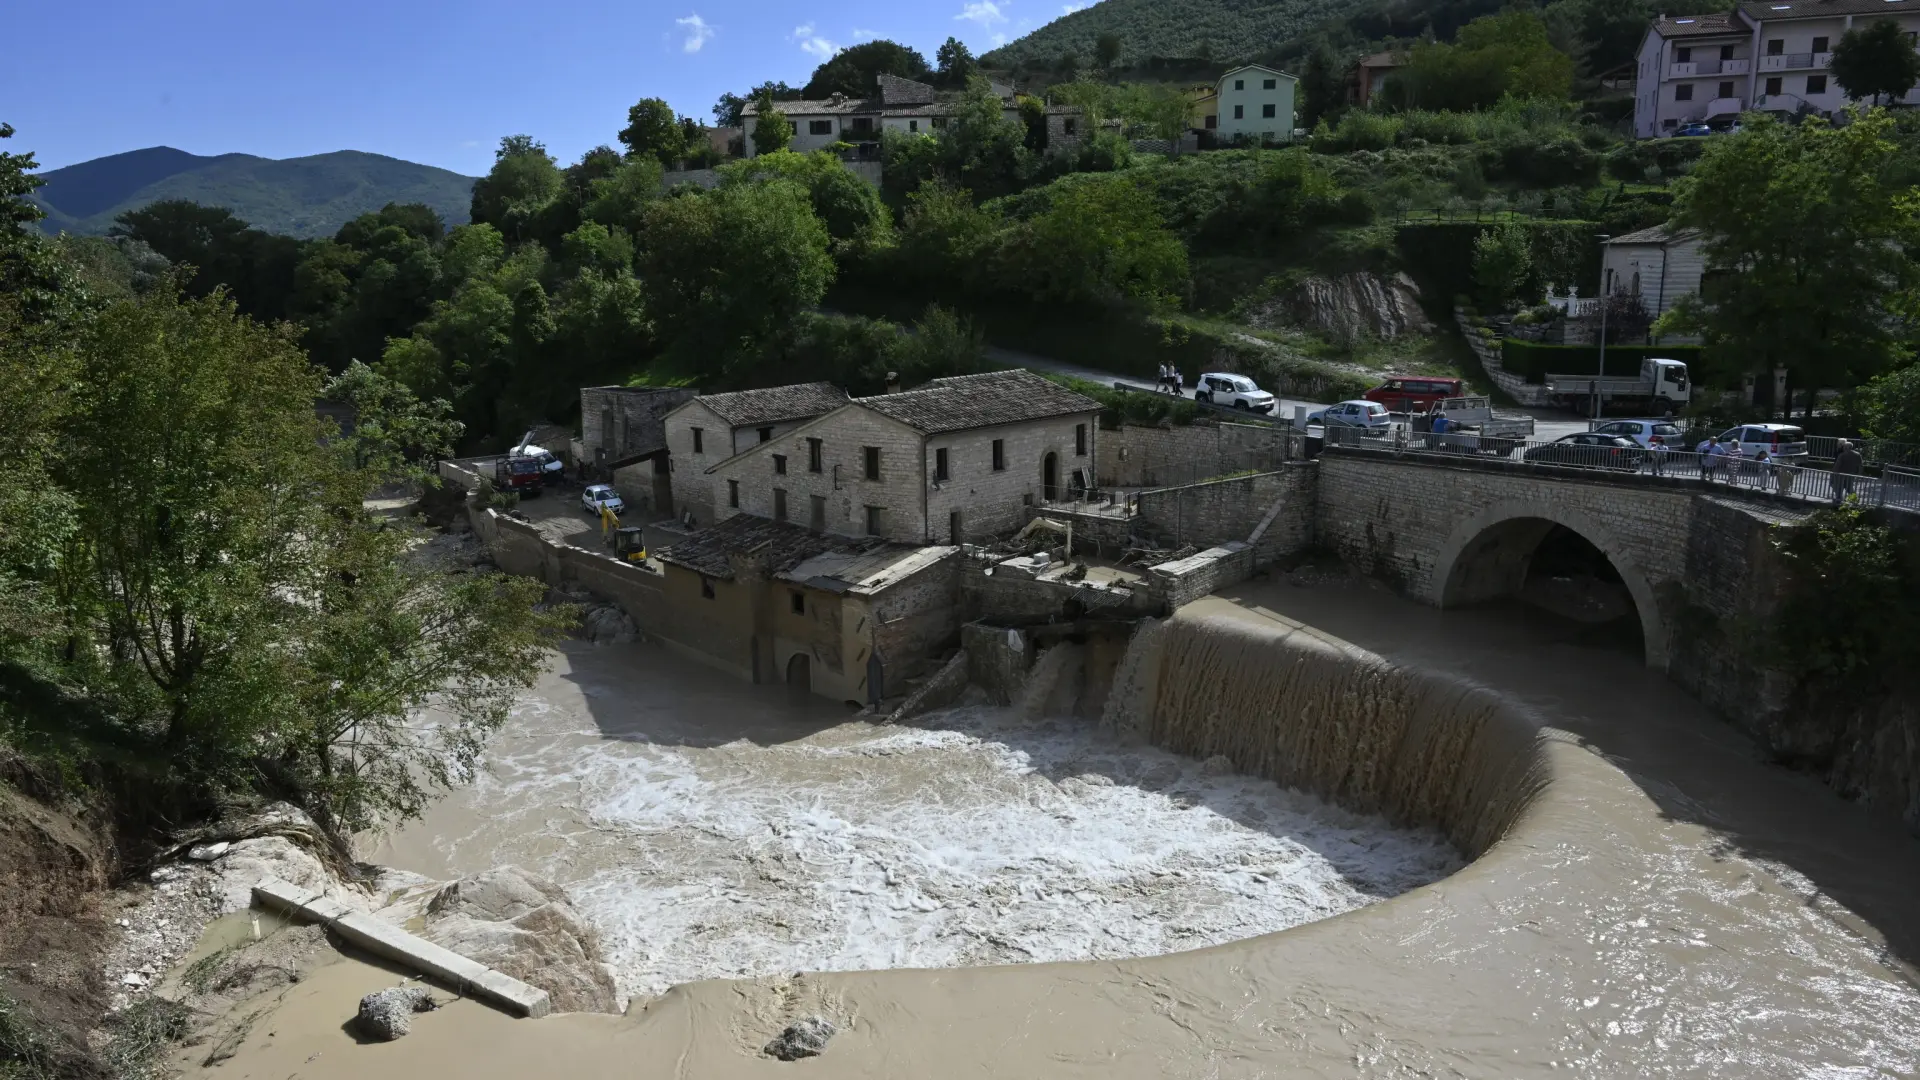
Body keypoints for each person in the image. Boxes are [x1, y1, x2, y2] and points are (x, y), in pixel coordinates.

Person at [1833, 439, 1864, 504]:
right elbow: (1860, 466)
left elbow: (1837, 465)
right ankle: (1855, 500)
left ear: (1846, 447)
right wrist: (1859, 475)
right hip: (1851, 474)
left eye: (1844, 447)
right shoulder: (1857, 454)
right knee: (1849, 488)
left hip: (1841, 474)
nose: (1843, 448)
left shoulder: (1842, 455)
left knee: (1839, 488)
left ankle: (1838, 499)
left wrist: (1834, 473)